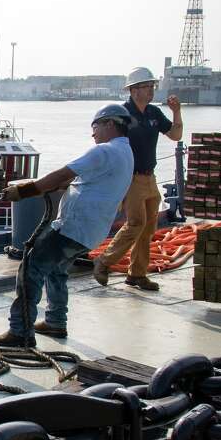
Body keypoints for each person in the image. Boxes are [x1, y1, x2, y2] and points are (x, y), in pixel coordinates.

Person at [0, 105, 134, 347]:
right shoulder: (125, 152)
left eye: (95, 126)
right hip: (91, 231)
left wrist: (23, 191)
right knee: (56, 270)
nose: (93, 133)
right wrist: (62, 186)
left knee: (30, 269)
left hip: (73, 228)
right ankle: (55, 321)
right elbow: (84, 180)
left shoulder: (104, 151)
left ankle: (20, 331)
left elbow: (62, 174)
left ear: (110, 123)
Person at [92, 67, 183, 291]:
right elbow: (102, 141)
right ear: (133, 90)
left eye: (153, 86)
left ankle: (137, 274)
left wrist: (176, 112)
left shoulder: (153, 113)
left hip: (149, 177)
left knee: (148, 228)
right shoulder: (121, 114)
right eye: (146, 86)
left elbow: (175, 135)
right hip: (130, 177)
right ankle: (103, 261)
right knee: (135, 223)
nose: (151, 90)